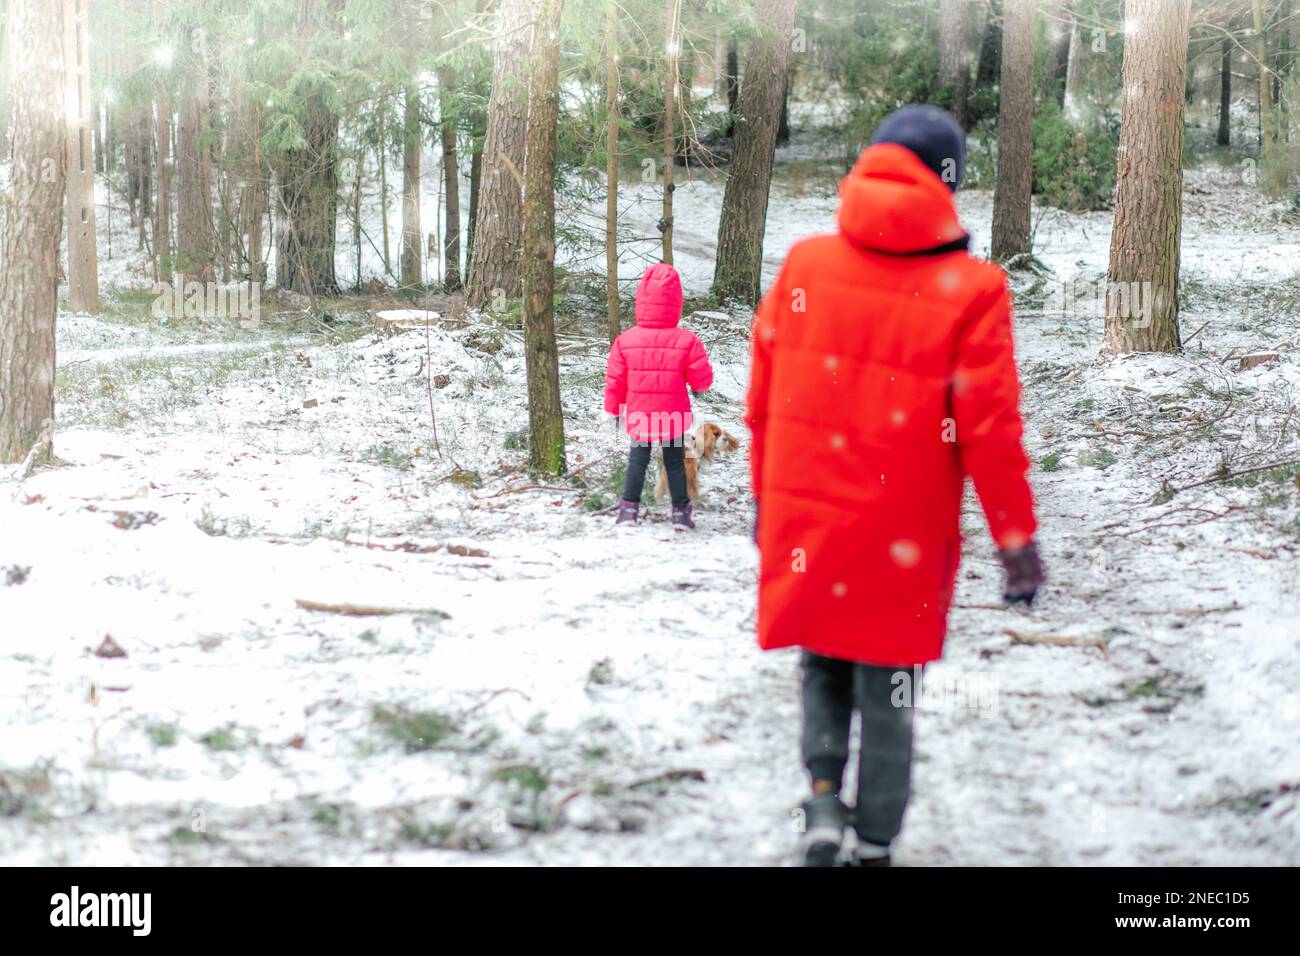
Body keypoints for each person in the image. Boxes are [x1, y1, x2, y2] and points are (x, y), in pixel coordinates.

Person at [745, 105, 1045, 866]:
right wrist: (1015, 537)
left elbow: (761, 402)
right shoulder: (973, 287)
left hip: (810, 518)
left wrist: (764, 503)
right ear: (948, 182)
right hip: (903, 534)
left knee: (821, 659)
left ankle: (820, 803)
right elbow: (990, 429)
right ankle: (875, 842)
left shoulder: (805, 265)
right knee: (891, 688)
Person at [605, 263, 714, 529]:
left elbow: (616, 379)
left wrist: (614, 409)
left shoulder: (626, 340)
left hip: (640, 411)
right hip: (672, 411)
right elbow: (701, 376)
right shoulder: (686, 340)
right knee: (674, 461)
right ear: (676, 303)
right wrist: (699, 389)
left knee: (638, 460)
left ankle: (628, 511)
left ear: (641, 301)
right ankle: (679, 513)